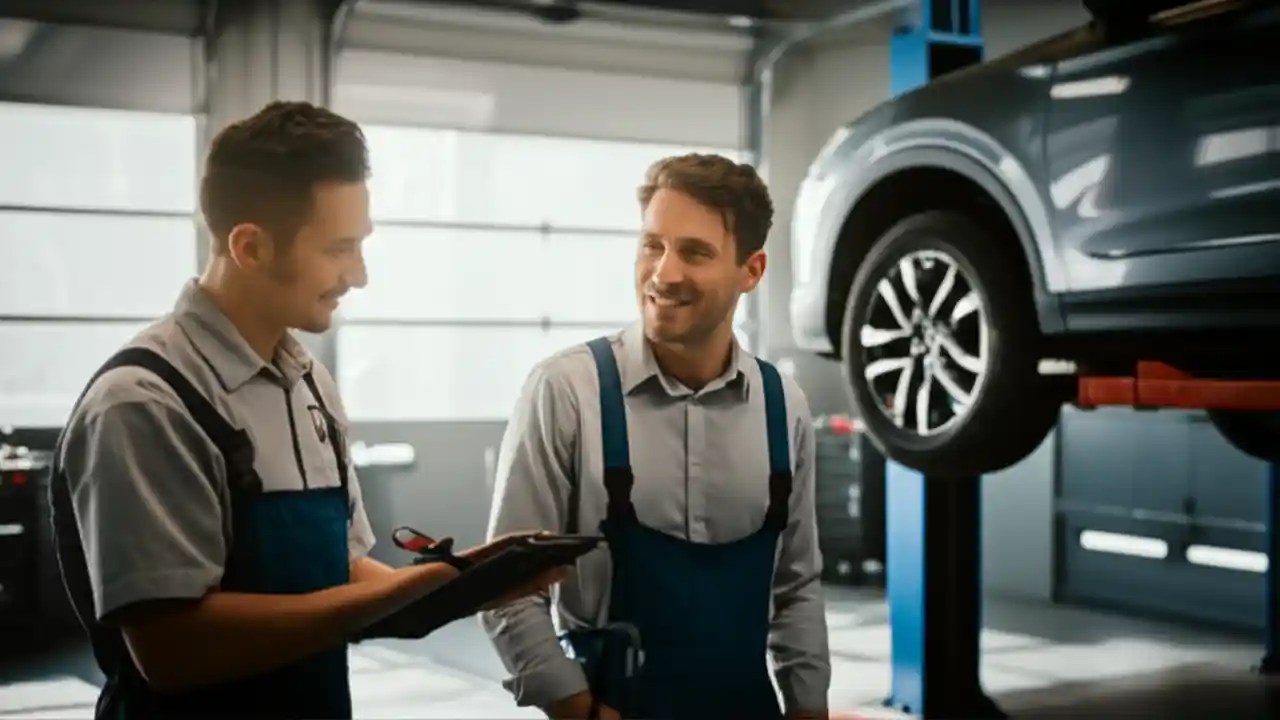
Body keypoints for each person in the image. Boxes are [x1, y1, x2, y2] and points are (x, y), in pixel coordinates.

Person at [50, 101, 562, 720]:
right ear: (250, 247)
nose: (360, 275)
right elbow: (173, 650)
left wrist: (464, 583)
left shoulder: (312, 386)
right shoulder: (142, 404)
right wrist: (410, 590)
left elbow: (341, 574)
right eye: (340, 249)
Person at [480, 154, 831, 719]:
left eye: (694, 252)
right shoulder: (568, 391)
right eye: (652, 245)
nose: (664, 273)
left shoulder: (782, 406)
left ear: (752, 270)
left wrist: (808, 708)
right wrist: (575, 709)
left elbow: (796, 589)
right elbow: (506, 588)